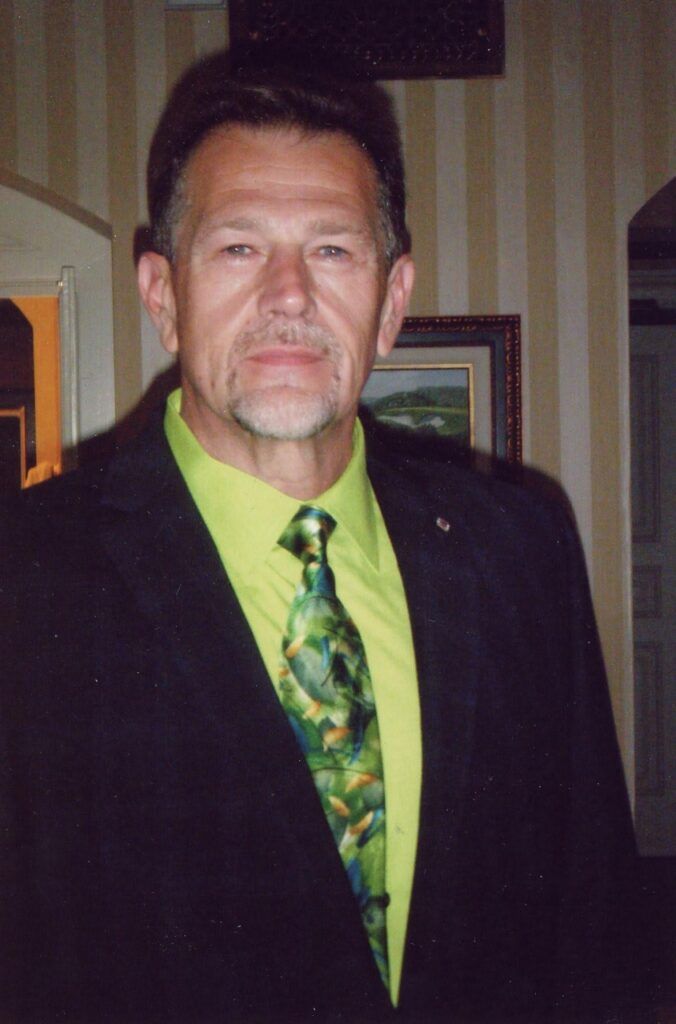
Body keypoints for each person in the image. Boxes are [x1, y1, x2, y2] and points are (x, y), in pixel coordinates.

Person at [0, 54, 649, 1023]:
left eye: (334, 251)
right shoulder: (26, 582)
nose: (290, 294)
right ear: (163, 295)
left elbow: (591, 928)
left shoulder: (520, 546)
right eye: (238, 248)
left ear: (392, 303)